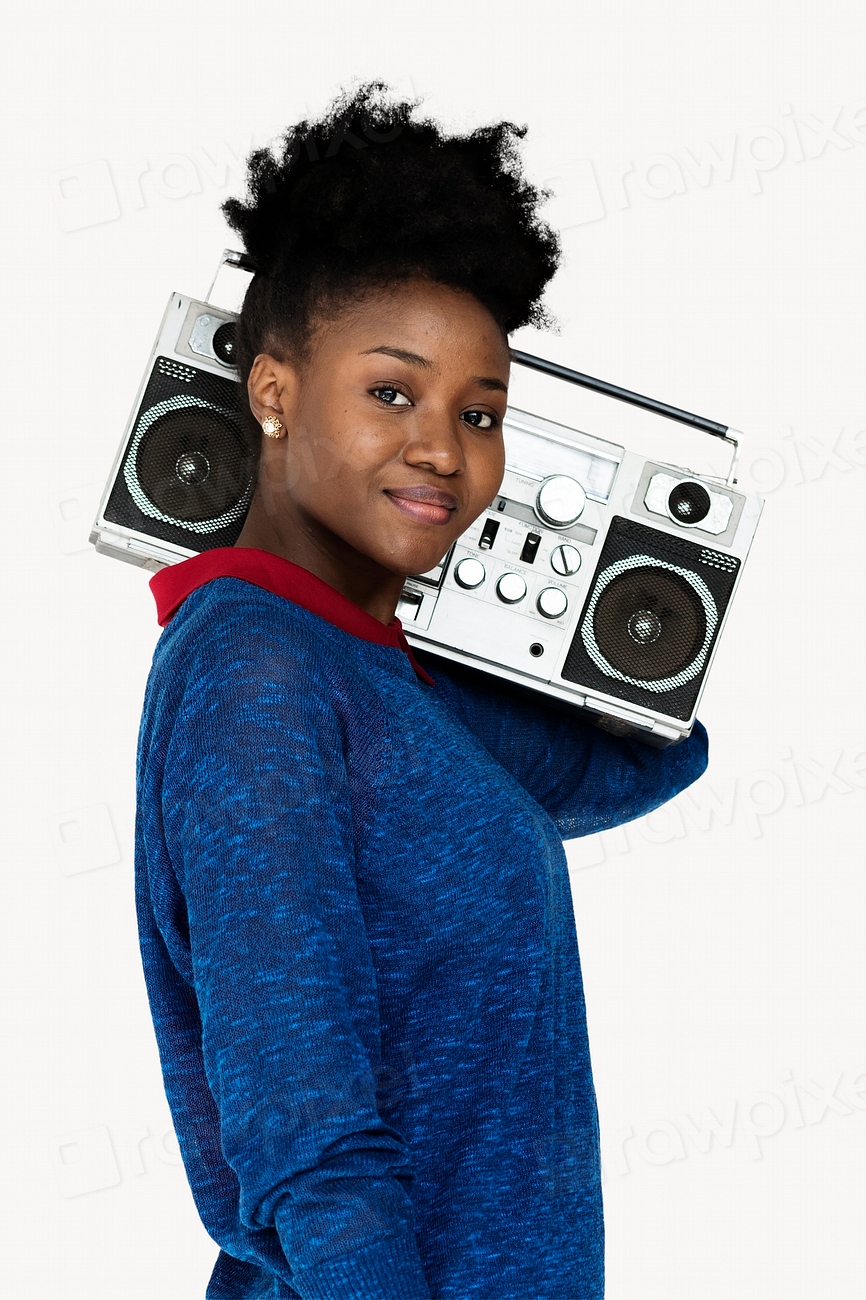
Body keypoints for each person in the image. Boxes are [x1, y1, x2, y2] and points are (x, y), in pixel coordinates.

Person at [134, 82, 708, 1300]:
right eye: (390, 392)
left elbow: (640, 753)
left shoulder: (371, 673)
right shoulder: (252, 677)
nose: (444, 449)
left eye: (480, 412)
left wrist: (575, 567)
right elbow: (304, 1136)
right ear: (272, 390)